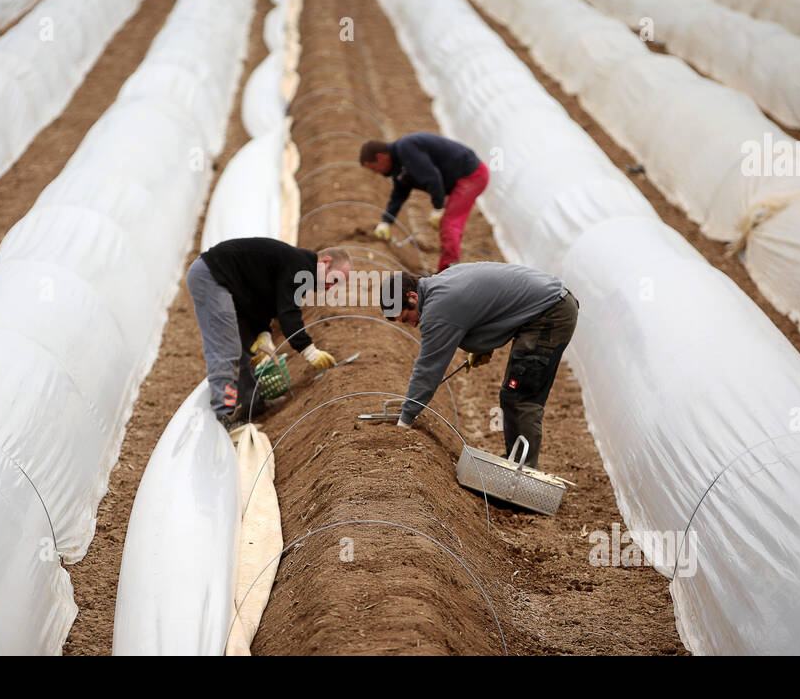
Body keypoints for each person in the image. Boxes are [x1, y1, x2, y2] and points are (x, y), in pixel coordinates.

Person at [380, 263, 578, 467]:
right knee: (513, 393)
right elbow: (485, 304)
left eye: (406, 318)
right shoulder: (438, 285)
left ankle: (523, 472)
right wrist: (483, 345)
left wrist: (405, 420)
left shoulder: (437, 308)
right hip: (547, 304)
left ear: (413, 297)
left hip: (551, 313)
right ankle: (515, 462)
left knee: (520, 394)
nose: (412, 325)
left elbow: (427, 369)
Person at [188, 237, 351, 426]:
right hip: (212, 276)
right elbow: (288, 313)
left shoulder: (299, 267)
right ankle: (225, 416)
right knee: (227, 349)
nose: (332, 287)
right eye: (335, 279)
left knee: (244, 347)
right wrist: (309, 350)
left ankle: (251, 405)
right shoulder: (299, 266)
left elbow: (264, 301)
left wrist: (263, 331)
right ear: (325, 262)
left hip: (231, 285)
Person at [360, 133, 489, 272]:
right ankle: (448, 270)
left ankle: (448, 271)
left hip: (472, 175)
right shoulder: (399, 165)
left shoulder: (406, 149)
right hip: (461, 178)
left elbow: (433, 178)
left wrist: (438, 208)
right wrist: (386, 222)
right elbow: (399, 194)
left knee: (450, 223)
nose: (376, 172)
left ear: (381, 157)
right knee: (448, 222)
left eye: (374, 167)